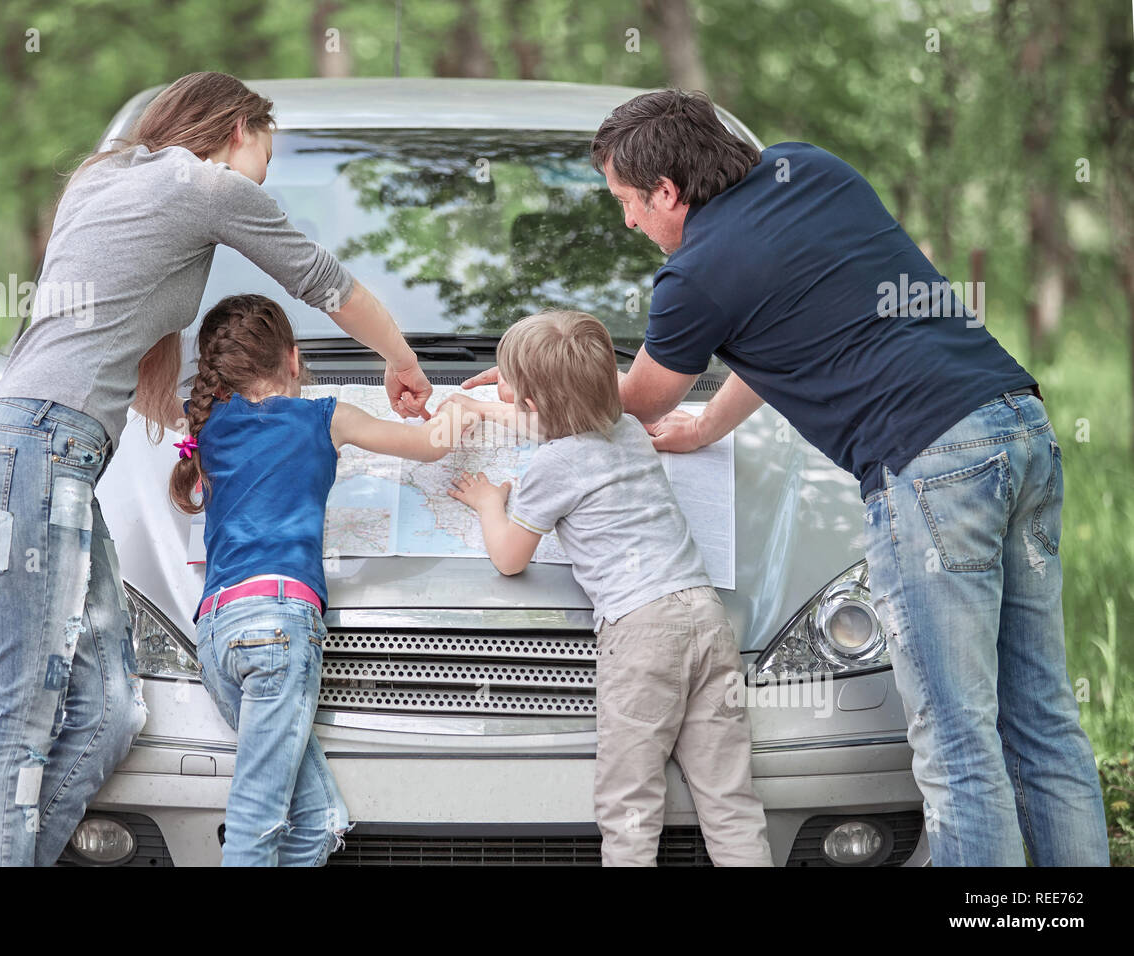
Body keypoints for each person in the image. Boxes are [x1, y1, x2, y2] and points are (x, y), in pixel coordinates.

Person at [468, 89, 1106, 866]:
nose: (630, 222)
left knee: (955, 739)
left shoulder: (694, 274)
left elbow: (620, 403)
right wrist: (707, 427)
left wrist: (512, 398)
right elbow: (798, 324)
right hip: (1016, 423)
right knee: (1040, 717)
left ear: (668, 192)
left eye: (629, 203)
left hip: (930, 468)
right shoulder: (807, 168)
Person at [0, 71, 434, 866]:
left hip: (53, 455)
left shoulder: (103, 179)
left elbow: (123, 330)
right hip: (40, 448)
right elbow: (324, 282)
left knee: (109, 709)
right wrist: (402, 361)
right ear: (237, 128)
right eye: (266, 156)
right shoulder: (207, 185)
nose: (263, 181)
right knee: (22, 711)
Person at [446, 310, 773, 867]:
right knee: (729, 798)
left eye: (507, 383)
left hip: (641, 635)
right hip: (705, 618)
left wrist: (488, 503)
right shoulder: (624, 426)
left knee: (630, 807)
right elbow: (559, 418)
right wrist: (486, 408)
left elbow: (509, 559)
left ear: (531, 404)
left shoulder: (552, 467)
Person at [170, 293, 478, 865]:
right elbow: (429, 445)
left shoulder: (209, 428)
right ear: (293, 359)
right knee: (255, 829)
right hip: (278, 627)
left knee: (317, 825)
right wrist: (468, 403)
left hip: (215, 638)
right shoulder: (321, 415)